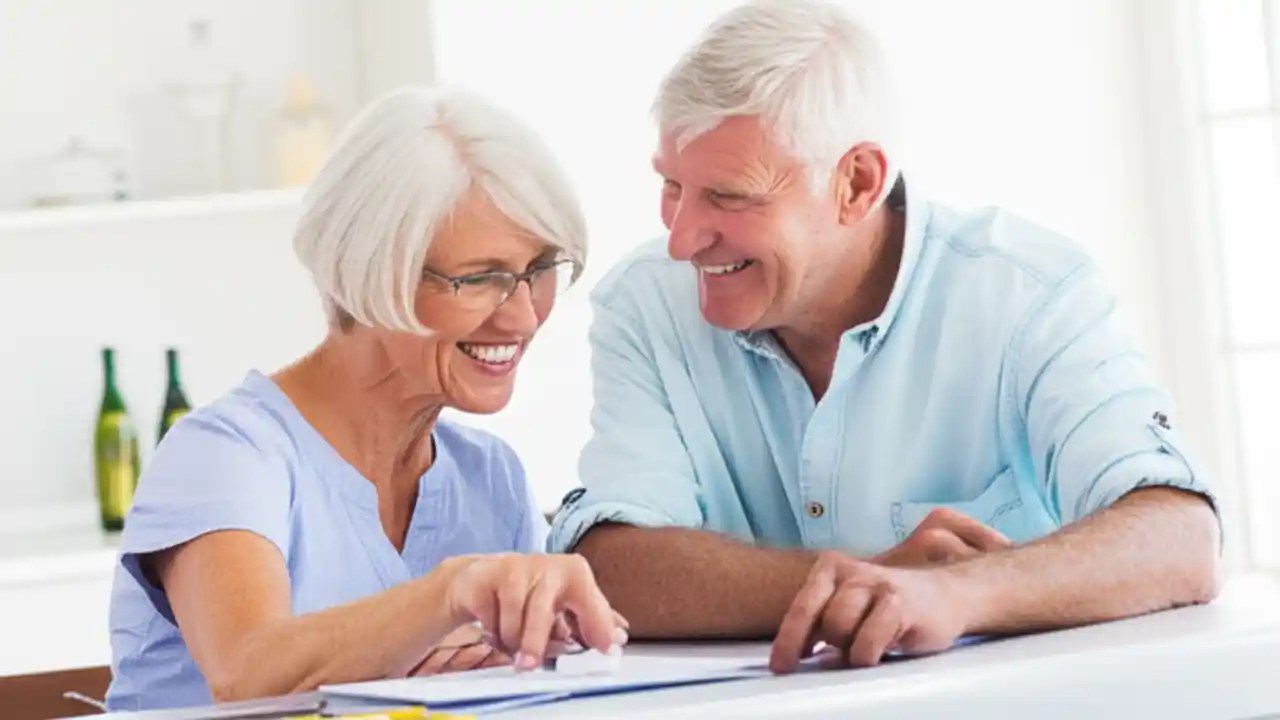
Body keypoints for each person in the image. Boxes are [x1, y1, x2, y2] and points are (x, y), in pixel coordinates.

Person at [550, 0, 1221, 673]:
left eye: (729, 197)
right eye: (672, 185)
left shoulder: (1028, 295)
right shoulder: (645, 304)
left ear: (857, 183)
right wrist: (874, 580)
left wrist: (956, 593)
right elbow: (609, 566)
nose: (681, 237)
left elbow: (1180, 538)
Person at [106, 87, 626, 711]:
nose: (521, 315)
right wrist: (450, 593)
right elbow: (246, 671)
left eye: (539, 269)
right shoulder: (227, 456)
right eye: (481, 278)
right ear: (374, 273)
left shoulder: (490, 478)